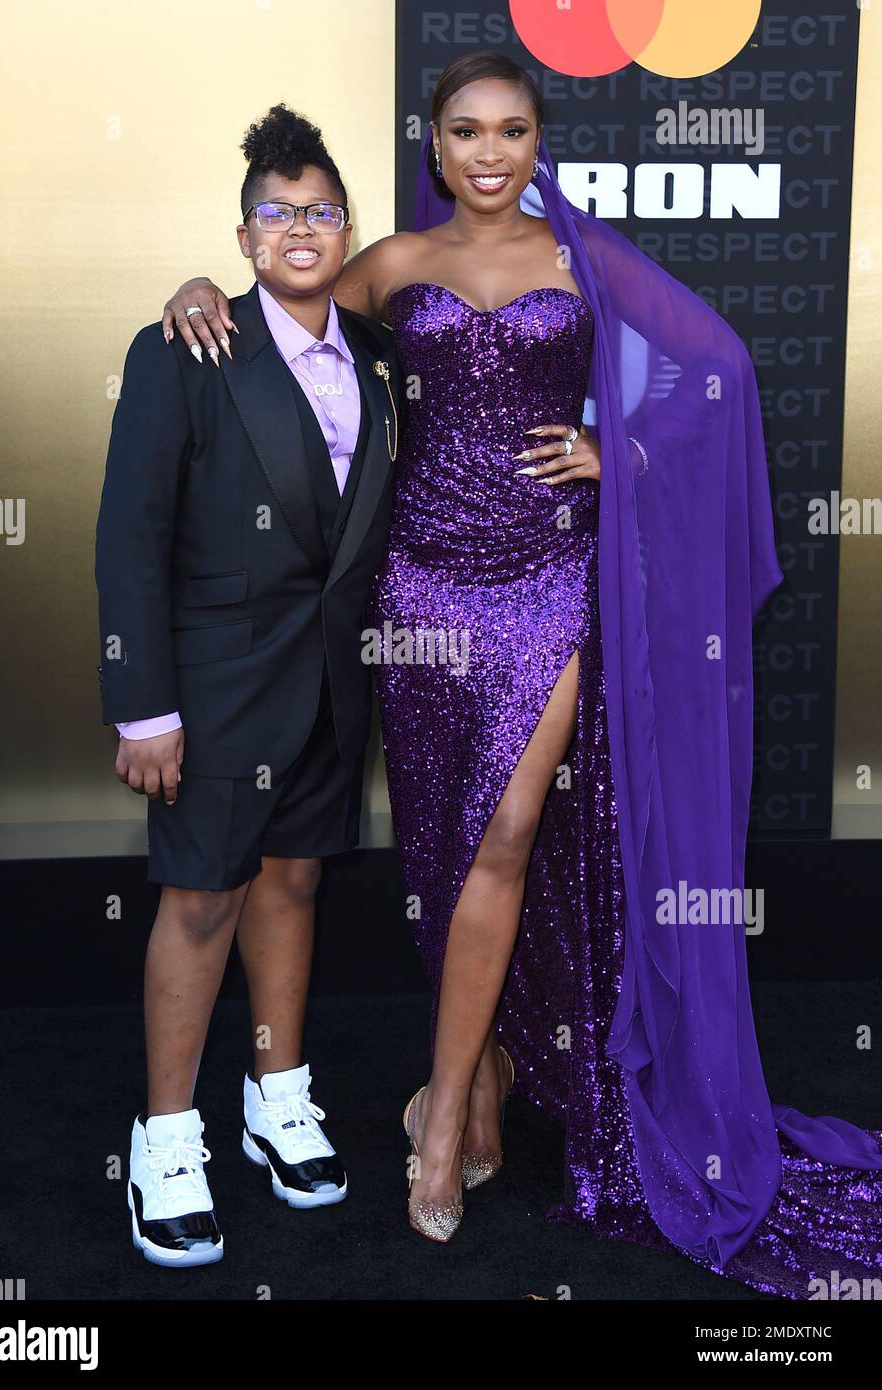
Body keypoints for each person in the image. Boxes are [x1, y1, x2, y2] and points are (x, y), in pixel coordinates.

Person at [161, 55, 882, 1295]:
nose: (487, 153)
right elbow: (283, 306)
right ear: (432, 145)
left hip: (550, 586)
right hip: (419, 594)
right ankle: (485, 1074)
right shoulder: (387, 263)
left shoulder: (582, 261)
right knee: (445, 848)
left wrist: (623, 449)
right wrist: (196, 287)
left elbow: (717, 374)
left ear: (538, 140)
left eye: (510, 130)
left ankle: (440, 1119)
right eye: (463, 132)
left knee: (505, 830)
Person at [96, 105, 402, 1266]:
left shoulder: (379, 359)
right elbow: (129, 536)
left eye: (321, 211)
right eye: (277, 212)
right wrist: (144, 705)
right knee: (202, 900)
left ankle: (277, 1097)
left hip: (329, 685)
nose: (301, 228)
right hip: (211, 691)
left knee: (294, 884)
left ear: (344, 227)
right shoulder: (185, 345)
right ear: (244, 235)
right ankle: (166, 1138)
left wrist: (603, 444)